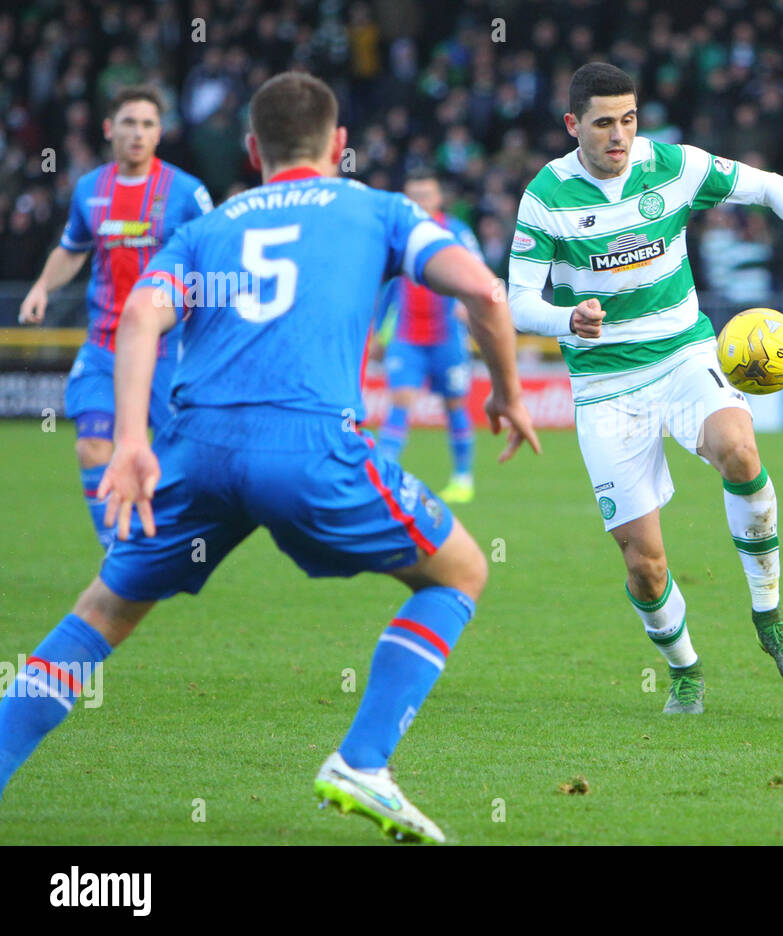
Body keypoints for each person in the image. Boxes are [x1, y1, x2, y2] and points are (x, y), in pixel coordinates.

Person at [0, 72, 539, 843]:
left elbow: (141, 319)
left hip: (196, 450)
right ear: (340, 147)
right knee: (460, 571)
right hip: (309, 448)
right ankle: (363, 760)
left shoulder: (206, 226)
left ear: (252, 150)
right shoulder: (379, 208)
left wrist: (129, 441)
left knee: (99, 614)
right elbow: (485, 293)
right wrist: (509, 394)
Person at [508, 63, 783, 714]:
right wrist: (568, 317)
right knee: (645, 566)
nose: (619, 136)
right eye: (603, 123)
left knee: (740, 449)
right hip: (604, 386)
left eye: (629, 119)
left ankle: (769, 617)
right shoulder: (547, 196)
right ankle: (685, 667)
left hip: (681, 355)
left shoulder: (673, 167)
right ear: (573, 126)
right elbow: (517, 302)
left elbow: (773, 187)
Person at [18, 86, 212, 550]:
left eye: (147, 124)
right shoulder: (90, 189)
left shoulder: (187, 192)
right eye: (128, 122)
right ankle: (117, 547)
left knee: (181, 459)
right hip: (104, 345)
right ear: (109, 129)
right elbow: (71, 250)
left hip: (170, 348)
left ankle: (176, 541)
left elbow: (215, 254)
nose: (137, 133)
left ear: (160, 133)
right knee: (92, 444)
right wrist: (43, 287)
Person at [371, 168, 481, 503]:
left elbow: (476, 273)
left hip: (447, 337)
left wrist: (468, 304)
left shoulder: (456, 231)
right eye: (413, 196)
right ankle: (383, 478)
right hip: (407, 337)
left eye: (425, 195)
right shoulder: (397, 233)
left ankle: (463, 478)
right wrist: (378, 331)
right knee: (400, 402)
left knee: (455, 404)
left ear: (438, 198)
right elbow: (386, 287)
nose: (419, 201)